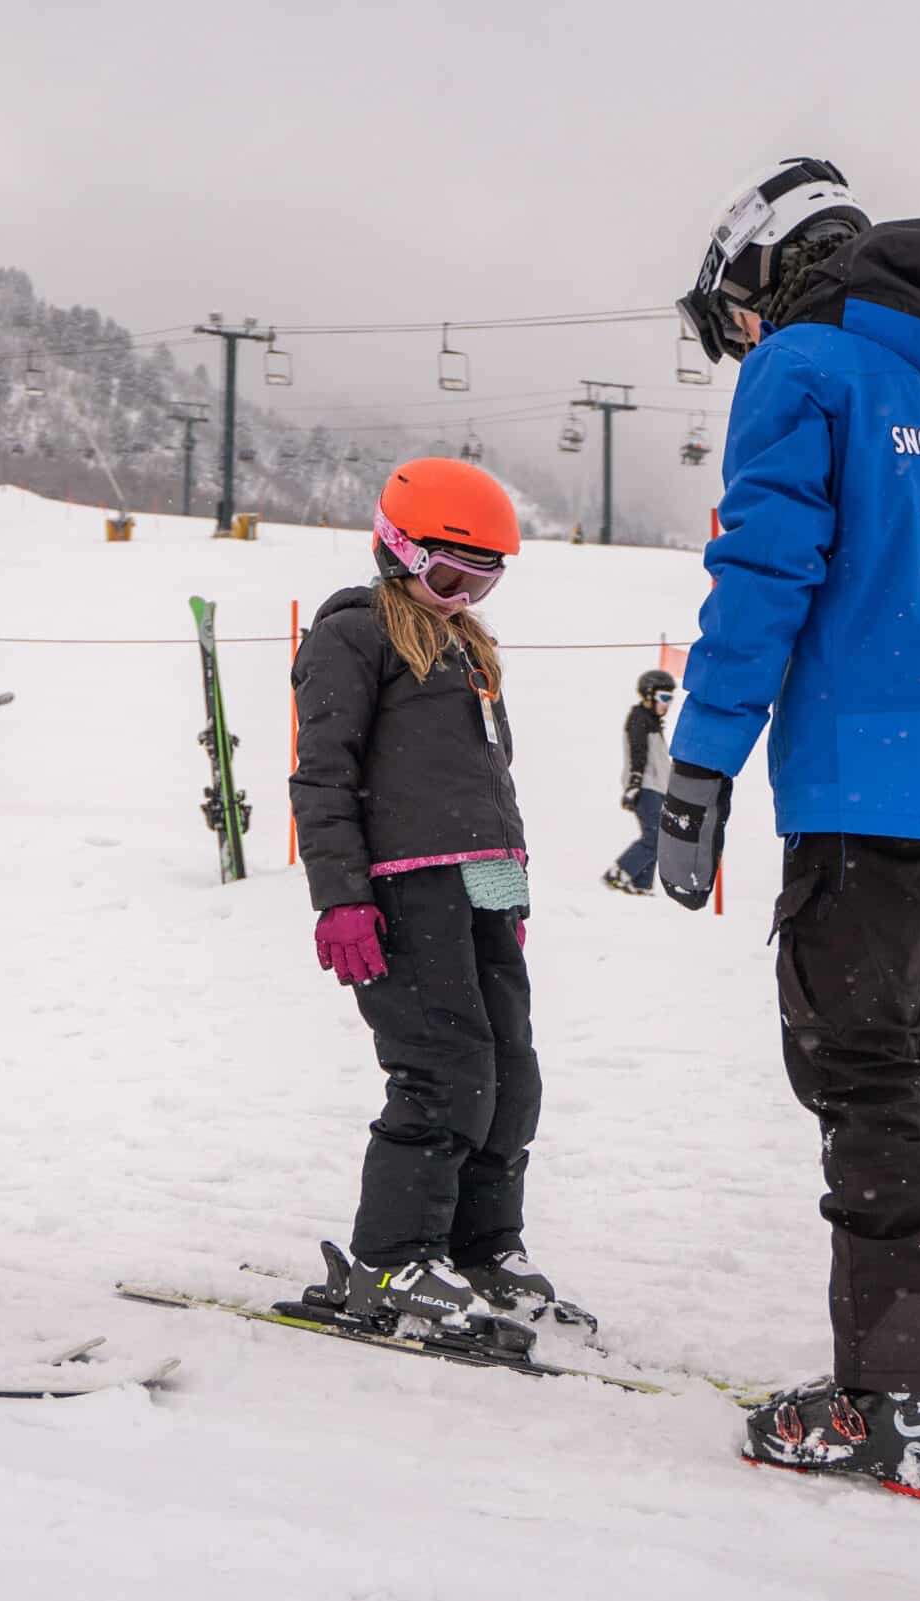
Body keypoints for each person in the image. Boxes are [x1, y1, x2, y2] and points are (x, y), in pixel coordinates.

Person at [664, 158, 920, 1496]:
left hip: (864, 792)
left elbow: (764, 570)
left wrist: (700, 761)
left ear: (774, 273)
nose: (744, 340)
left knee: (867, 1077)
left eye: (739, 311)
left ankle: (901, 1403)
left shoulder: (804, 370)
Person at [290, 457, 584, 1344]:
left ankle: (481, 1245)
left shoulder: (467, 648)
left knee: (511, 1074)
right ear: (398, 550)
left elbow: (490, 785)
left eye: (481, 582)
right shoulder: (355, 634)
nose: (462, 597)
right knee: (442, 1071)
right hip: (402, 890)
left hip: (479, 884)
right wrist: (342, 897)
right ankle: (391, 1258)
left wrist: (508, 892)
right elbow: (322, 777)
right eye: (449, 577)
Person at [602, 669, 675, 896]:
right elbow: (638, 752)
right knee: (655, 837)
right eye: (664, 697)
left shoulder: (652, 722)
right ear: (649, 694)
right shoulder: (639, 719)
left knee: (659, 838)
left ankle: (640, 884)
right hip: (646, 786)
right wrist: (634, 784)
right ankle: (619, 872)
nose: (667, 704)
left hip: (658, 788)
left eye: (670, 698)